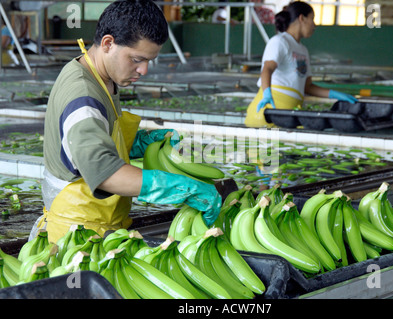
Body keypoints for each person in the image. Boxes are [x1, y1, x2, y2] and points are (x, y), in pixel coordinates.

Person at [29, 0, 221, 243]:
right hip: (79, 236)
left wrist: (139, 142)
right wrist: (181, 186)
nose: (144, 71)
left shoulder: (100, 75)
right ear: (108, 43)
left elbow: (93, 142)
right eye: (136, 59)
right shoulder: (83, 97)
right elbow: (105, 174)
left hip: (101, 224)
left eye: (149, 61)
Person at [244, 1, 357, 128]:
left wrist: (336, 95)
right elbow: (267, 69)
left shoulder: (303, 50)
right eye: (312, 19)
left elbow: (307, 87)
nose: (314, 25)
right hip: (269, 113)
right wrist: (267, 94)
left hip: (289, 116)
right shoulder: (280, 41)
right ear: (302, 18)